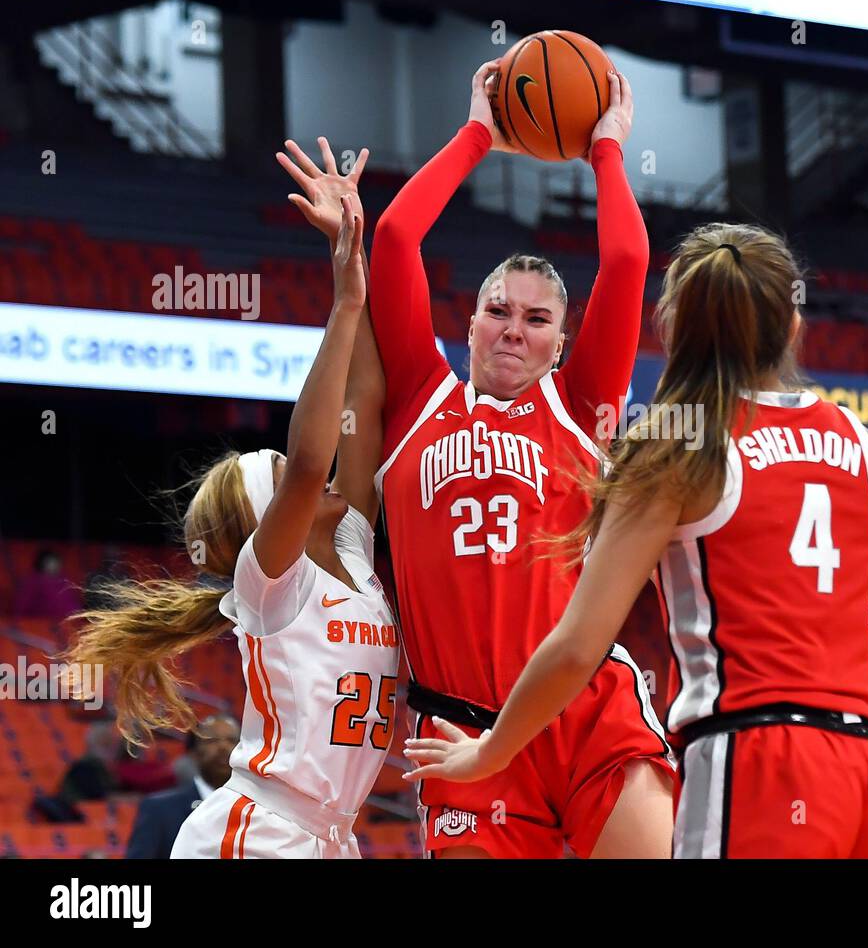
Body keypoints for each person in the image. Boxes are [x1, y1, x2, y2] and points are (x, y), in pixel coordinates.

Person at [404, 222, 868, 859]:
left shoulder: (679, 449)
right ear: (792, 329)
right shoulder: (861, 445)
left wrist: (490, 750)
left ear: (675, 329)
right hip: (865, 773)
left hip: (758, 760)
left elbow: (578, 644)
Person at [368, 60, 673, 858]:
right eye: (497, 311)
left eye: (537, 320)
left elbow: (628, 264)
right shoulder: (417, 402)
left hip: (584, 705)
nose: (514, 329)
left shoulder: (579, 407)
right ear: (466, 325)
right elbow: (396, 237)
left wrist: (607, 146)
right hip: (460, 722)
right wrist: (479, 132)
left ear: (560, 343)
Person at [68, 182, 397, 859]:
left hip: (332, 838)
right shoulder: (270, 581)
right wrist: (343, 302)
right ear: (266, 517)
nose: (320, 477)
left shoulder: (354, 552)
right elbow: (310, 461)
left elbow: (362, 401)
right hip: (258, 833)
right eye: (285, 482)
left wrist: (352, 252)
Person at [126, 714, 238, 858]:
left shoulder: (260, 809)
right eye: (212, 741)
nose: (223, 747)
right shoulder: (159, 809)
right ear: (193, 752)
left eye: (233, 741)